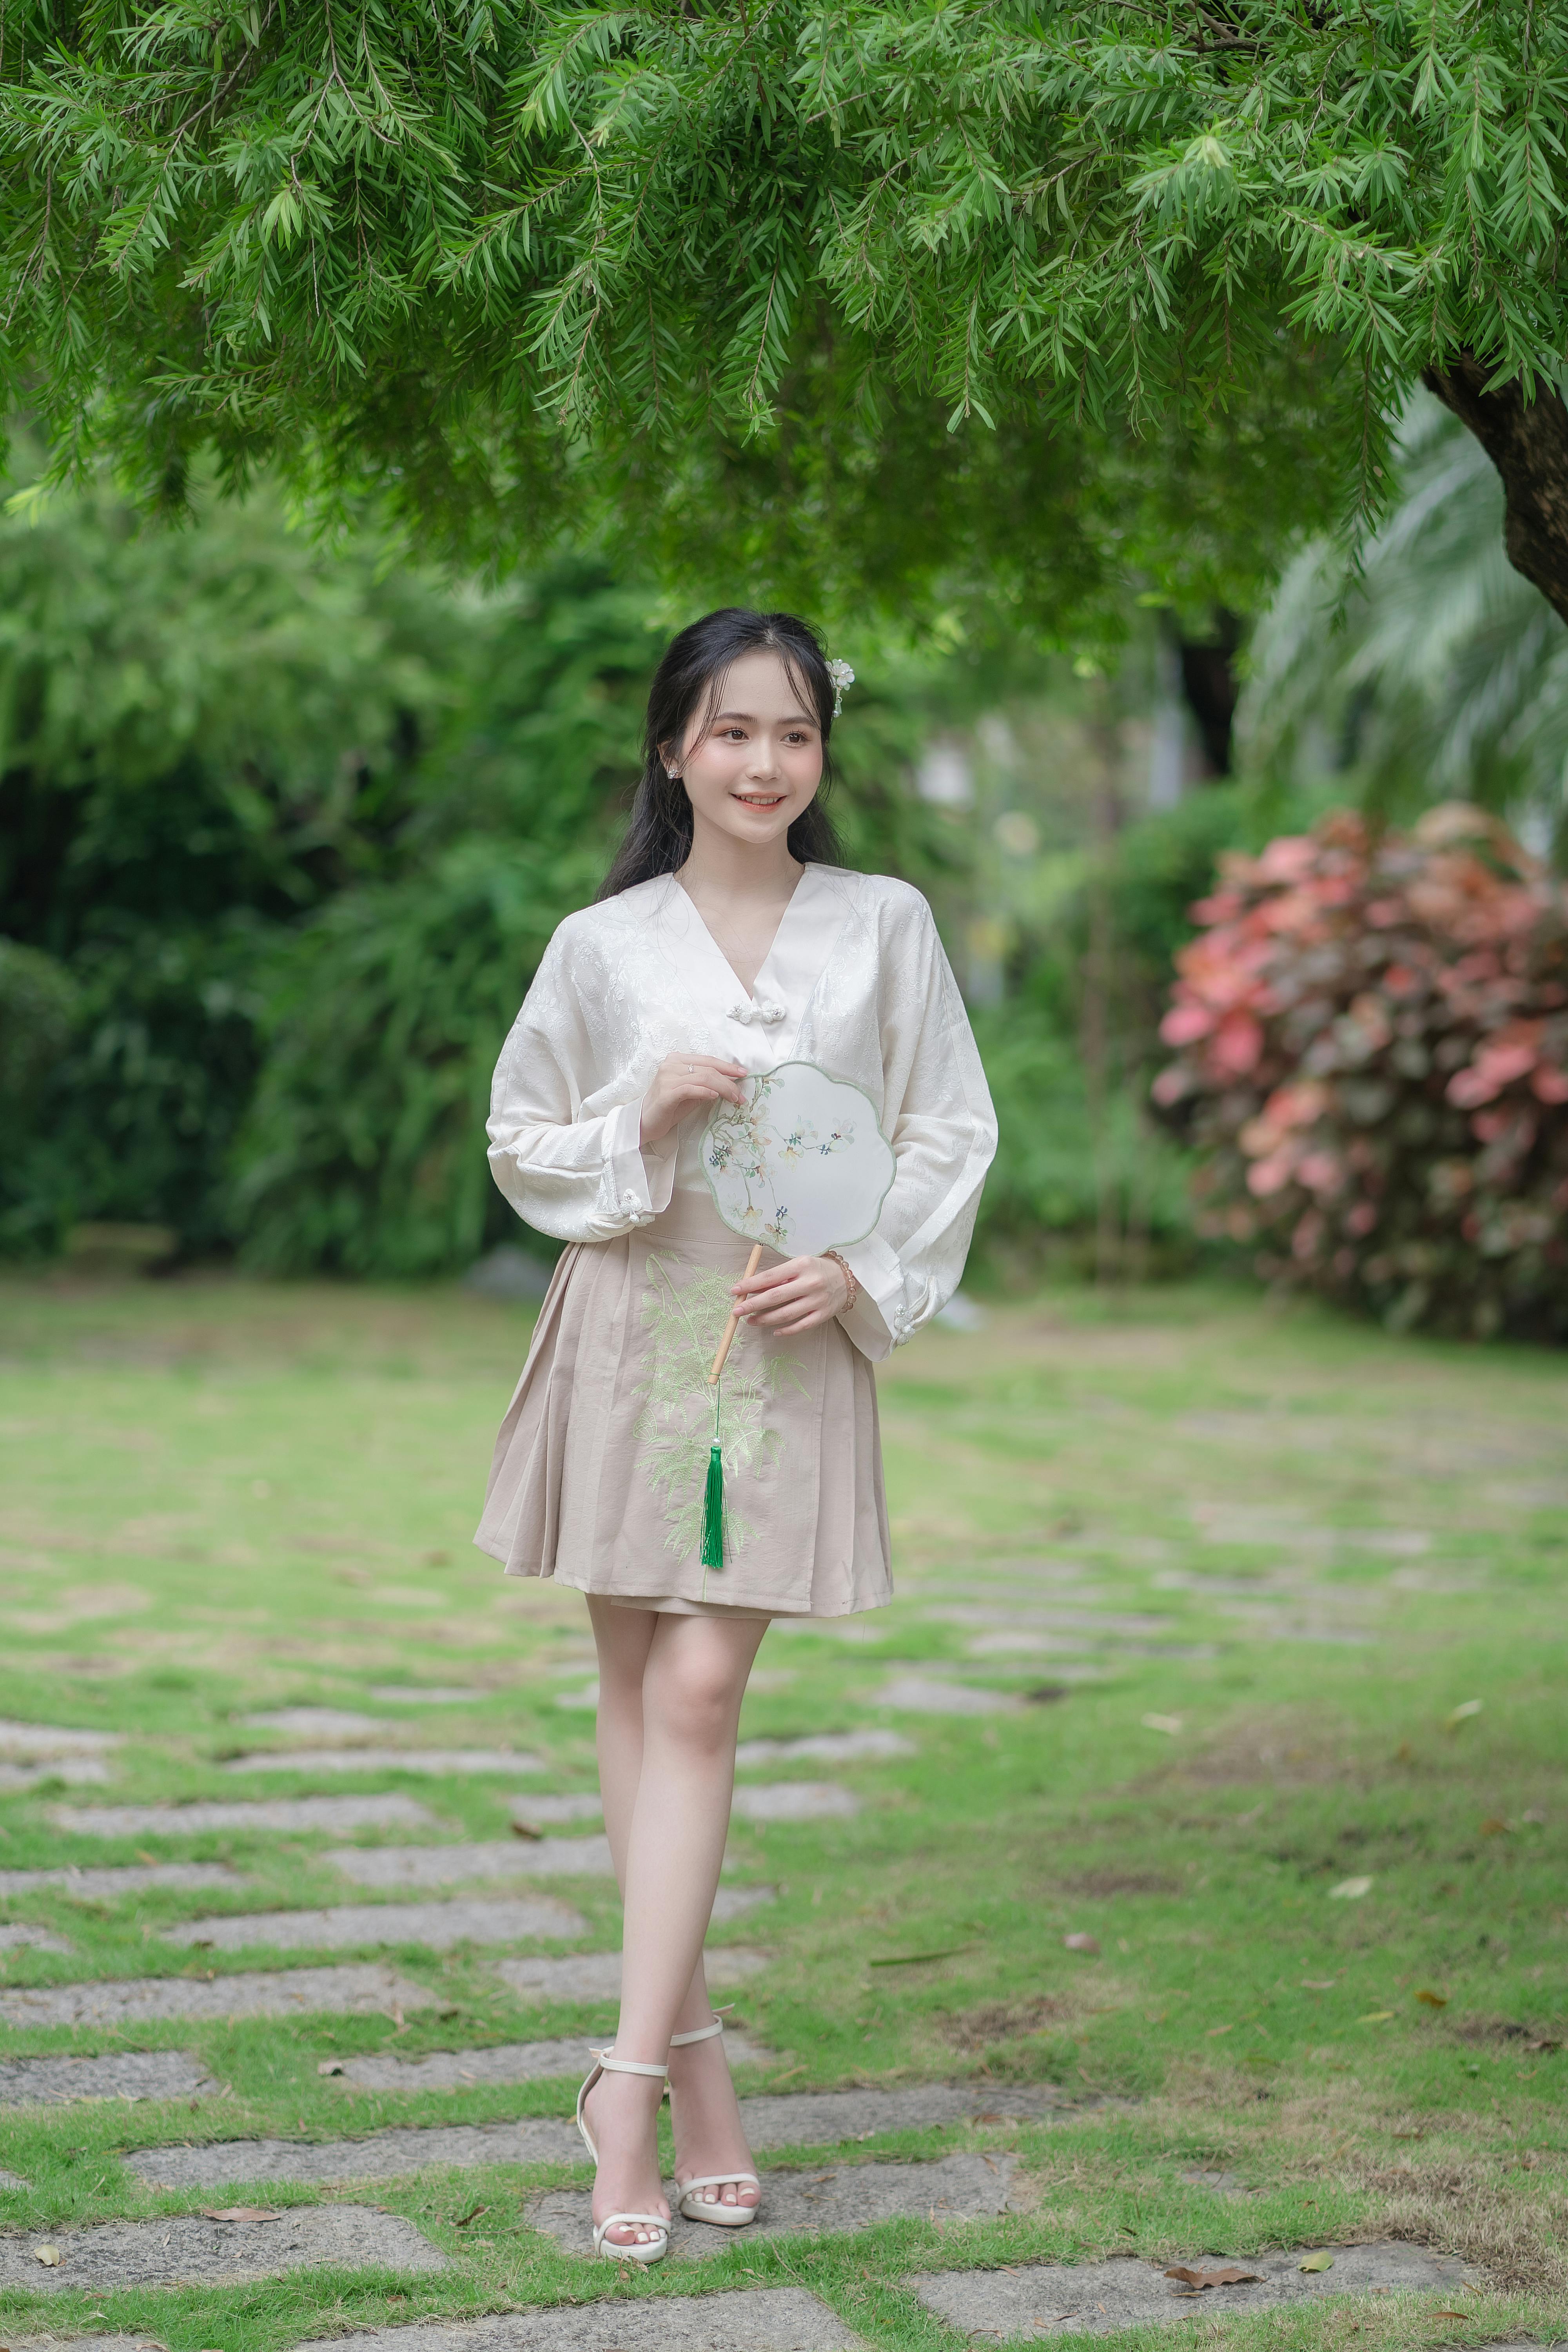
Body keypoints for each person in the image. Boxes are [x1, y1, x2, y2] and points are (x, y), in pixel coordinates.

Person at [474, 608, 997, 2261]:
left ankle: (620, 2080)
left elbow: (949, 1125)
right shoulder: (603, 943)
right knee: (633, 1689)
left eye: (791, 733)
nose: (764, 763)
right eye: (730, 732)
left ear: (819, 753)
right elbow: (521, 1133)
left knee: (698, 1688)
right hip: (632, 1326)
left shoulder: (884, 925)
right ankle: (698, 2080)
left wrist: (852, 1266)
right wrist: (641, 1111)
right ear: (671, 749)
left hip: (787, 1338)